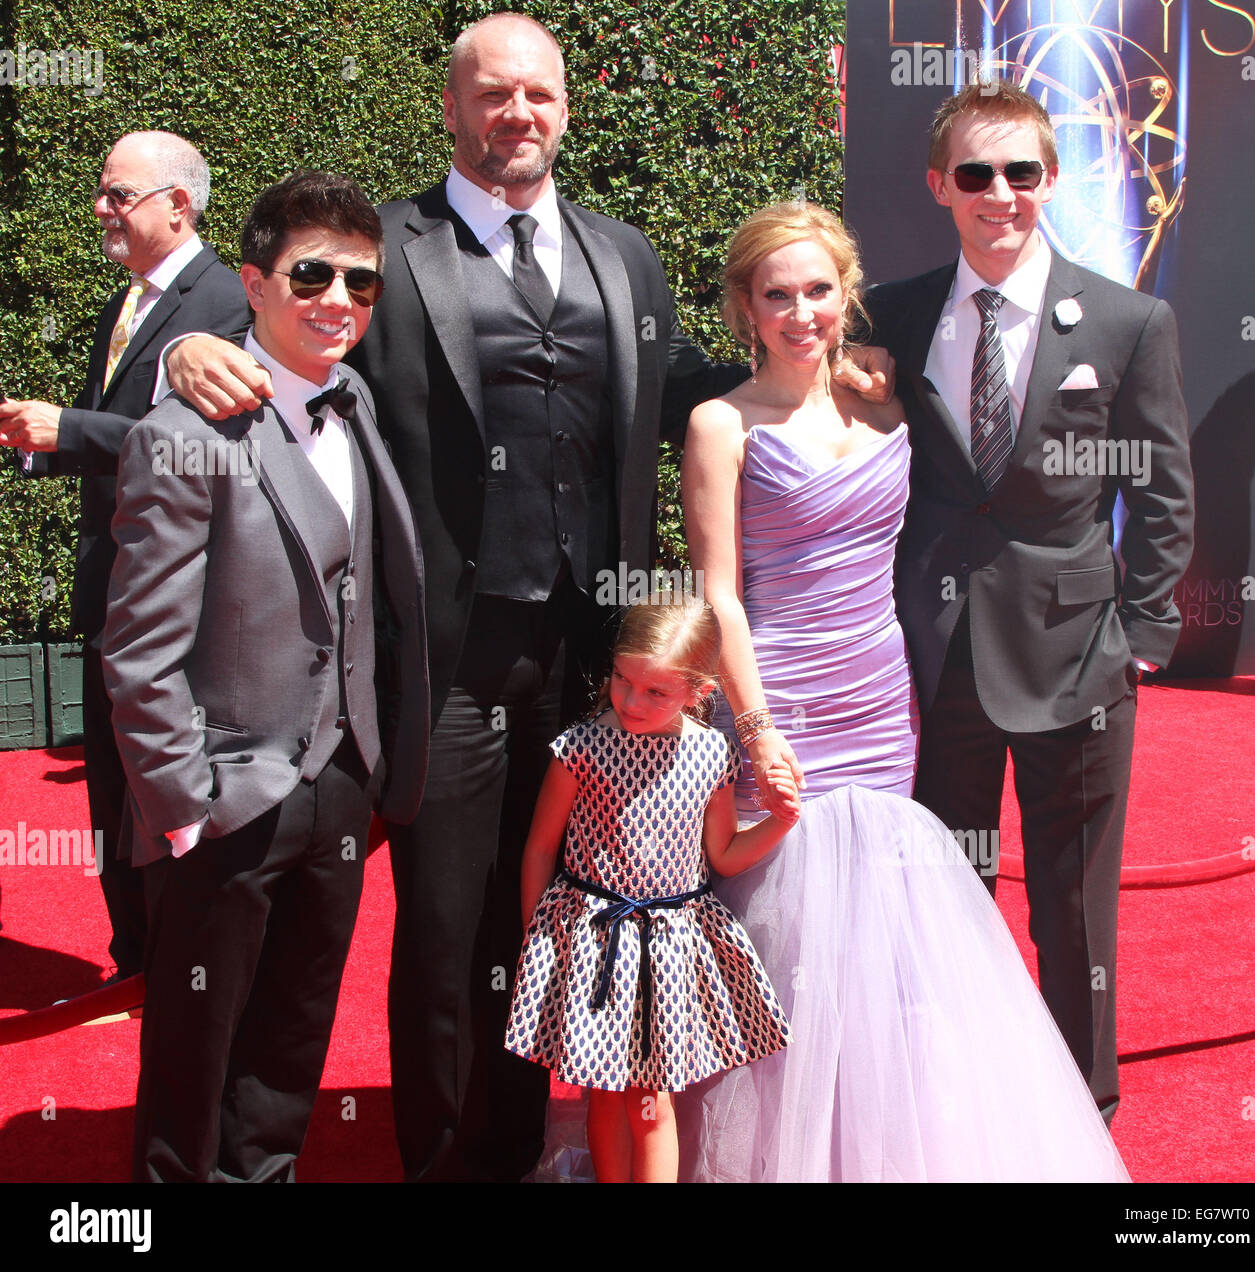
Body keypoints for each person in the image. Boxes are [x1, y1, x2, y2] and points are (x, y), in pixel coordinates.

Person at [160, 12, 890, 1182]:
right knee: (454, 931)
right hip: (440, 660)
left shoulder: (623, 255)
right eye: (493, 95)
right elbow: (275, 319)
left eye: (539, 96)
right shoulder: (385, 246)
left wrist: (824, 373)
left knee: (587, 905)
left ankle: (553, 1134)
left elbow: (682, 391)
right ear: (452, 109)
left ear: (565, 109)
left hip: (597, 664)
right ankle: (457, 1163)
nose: (518, 115)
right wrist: (175, 357)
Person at [677, 200, 1129, 1181]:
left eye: (818, 290)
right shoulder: (719, 425)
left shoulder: (886, 401)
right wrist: (751, 727)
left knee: (878, 924)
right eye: (777, 295)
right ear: (745, 309)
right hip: (780, 692)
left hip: (880, 694)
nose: (801, 312)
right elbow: (719, 596)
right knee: (783, 922)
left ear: (847, 296)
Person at [867, 82, 1195, 1122]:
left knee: (1074, 906)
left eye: (1019, 172)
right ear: (938, 186)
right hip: (940, 654)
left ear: (1051, 180)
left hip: (1078, 656)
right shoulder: (895, 314)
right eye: (975, 174)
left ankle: (1076, 1107)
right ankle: (952, 1088)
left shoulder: (1128, 318)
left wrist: (1139, 637)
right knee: (949, 891)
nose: (998, 194)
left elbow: (1162, 490)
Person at [102, 171, 430, 1182]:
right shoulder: (181, 436)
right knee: (193, 1069)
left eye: (361, 284)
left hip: (338, 783)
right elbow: (138, 647)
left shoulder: (358, 402)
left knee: (289, 1053)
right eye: (313, 275)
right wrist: (183, 808)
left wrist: (368, 766)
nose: (339, 300)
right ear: (251, 283)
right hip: (225, 803)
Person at [0, 132, 247, 981]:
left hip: (177, 595)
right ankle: (135, 958)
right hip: (112, 583)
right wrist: (36, 444)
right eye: (103, 193)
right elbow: (111, 434)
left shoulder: (225, 305)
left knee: (162, 785)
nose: (103, 209)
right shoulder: (130, 302)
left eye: (120, 195)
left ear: (178, 205)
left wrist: (65, 428)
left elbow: (193, 445)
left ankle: (182, 966)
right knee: (110, 781)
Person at [505, 594, 796, 1183]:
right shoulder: (580, 749)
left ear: (699, 691)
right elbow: (540, 848)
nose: (631, 701)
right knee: (605, 1098)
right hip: (594, 943)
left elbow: (724, 855)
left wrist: (780, 822)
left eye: (655, 692)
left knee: (652, 1103)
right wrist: (538, 940)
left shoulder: (712, 753)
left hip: (667, 950)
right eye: (621, 679)